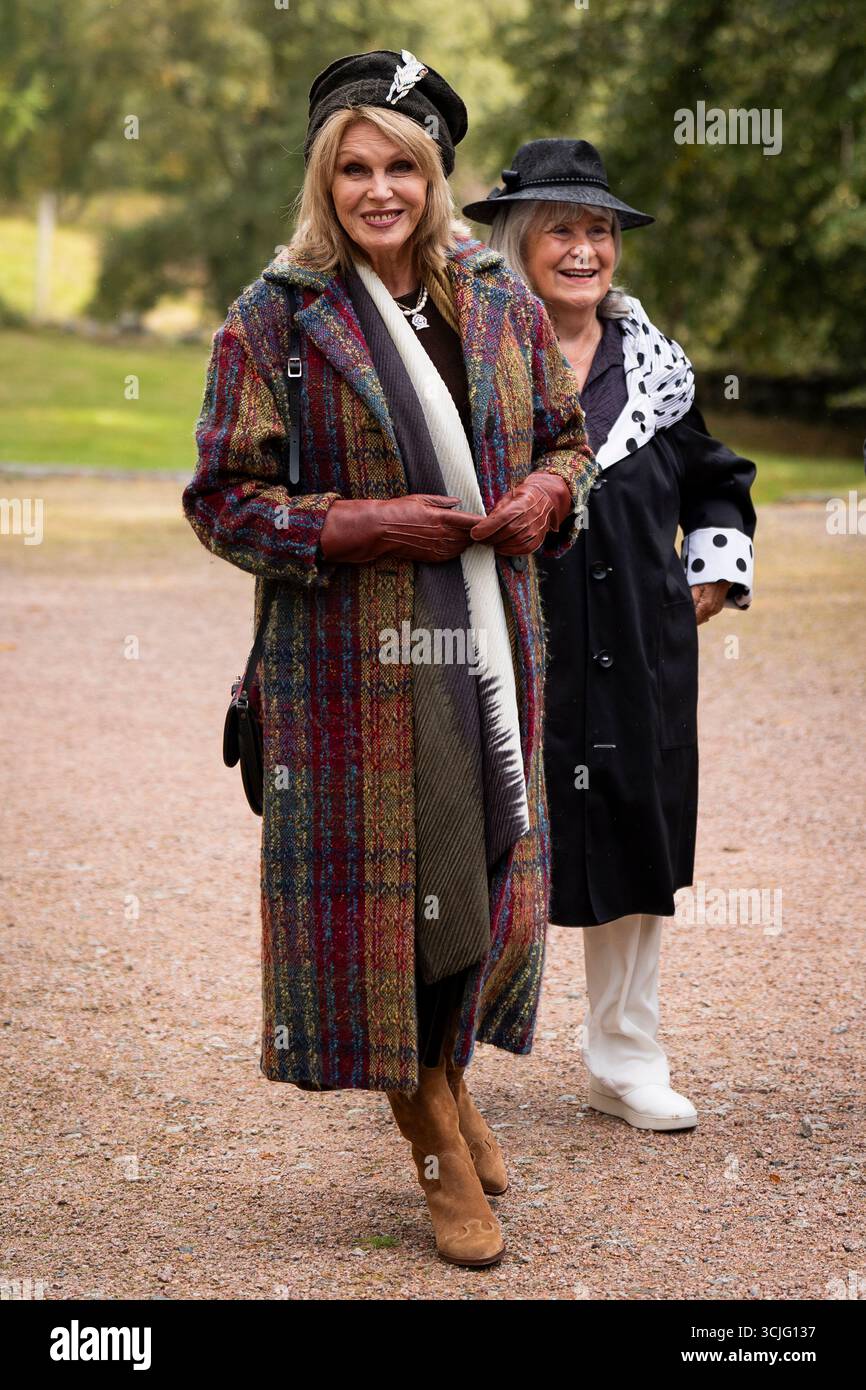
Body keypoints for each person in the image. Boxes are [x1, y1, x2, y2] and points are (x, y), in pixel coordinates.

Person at [182, 56, 597, 1265]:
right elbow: (220, 499)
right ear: (325, 176)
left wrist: (538, 497)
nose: (379, 190)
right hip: (349, 672)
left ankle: (447, 1074)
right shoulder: (276, 317)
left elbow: (566, 441)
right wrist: (356, 526)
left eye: (400, 166)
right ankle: (423, 1127)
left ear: (434, 176)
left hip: (486, 639)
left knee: (483, 880)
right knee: (389, 907)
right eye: (354, 168)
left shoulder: (497, 299)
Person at [464, 139, 757, 1132]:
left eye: (598, 231)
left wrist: (711, 566)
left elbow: (714, 477)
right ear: (518, 242)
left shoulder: (656, 366)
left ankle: (623, 1061)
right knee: (476, 839)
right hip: (507, 641)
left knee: (631, 839)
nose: (584, 249)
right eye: (561, 230)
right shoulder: (475, 352)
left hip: (635, 648)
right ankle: (434, 1065)